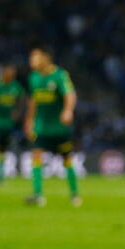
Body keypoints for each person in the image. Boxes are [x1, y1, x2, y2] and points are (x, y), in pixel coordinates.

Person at [22, 47, 80, 207]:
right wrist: (29, 121)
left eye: (34, 57)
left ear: (45, 58)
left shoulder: (60, 75)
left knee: (67, 159)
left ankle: (75, 194)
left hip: (59, 128)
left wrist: (68, 111)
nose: (31, 61)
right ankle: (38, 195)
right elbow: (32, 101)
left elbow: (70, 94)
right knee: (36, 155)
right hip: (42, 128)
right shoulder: (33, 78)